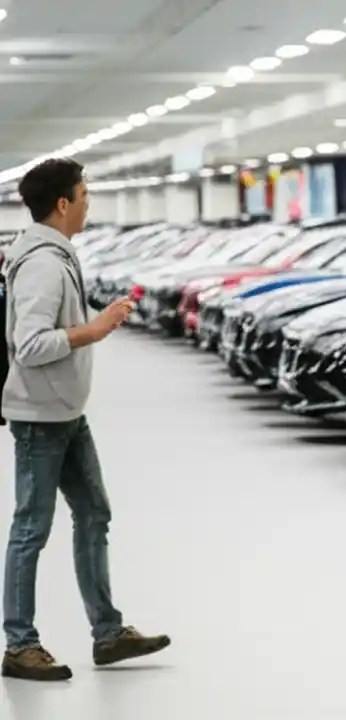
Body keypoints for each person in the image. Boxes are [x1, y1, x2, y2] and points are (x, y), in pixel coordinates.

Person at [1, 159, 169, 681]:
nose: (89, 201)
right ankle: (19, 644)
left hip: (66, 411)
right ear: (63, 204)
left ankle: (107, 632)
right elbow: (29, 345)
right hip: (40, 416)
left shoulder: (56, 254)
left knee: (94, 512)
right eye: (85, 193)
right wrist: (92, 331)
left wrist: (101, 317)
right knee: (31, 528)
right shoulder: (43, 263)